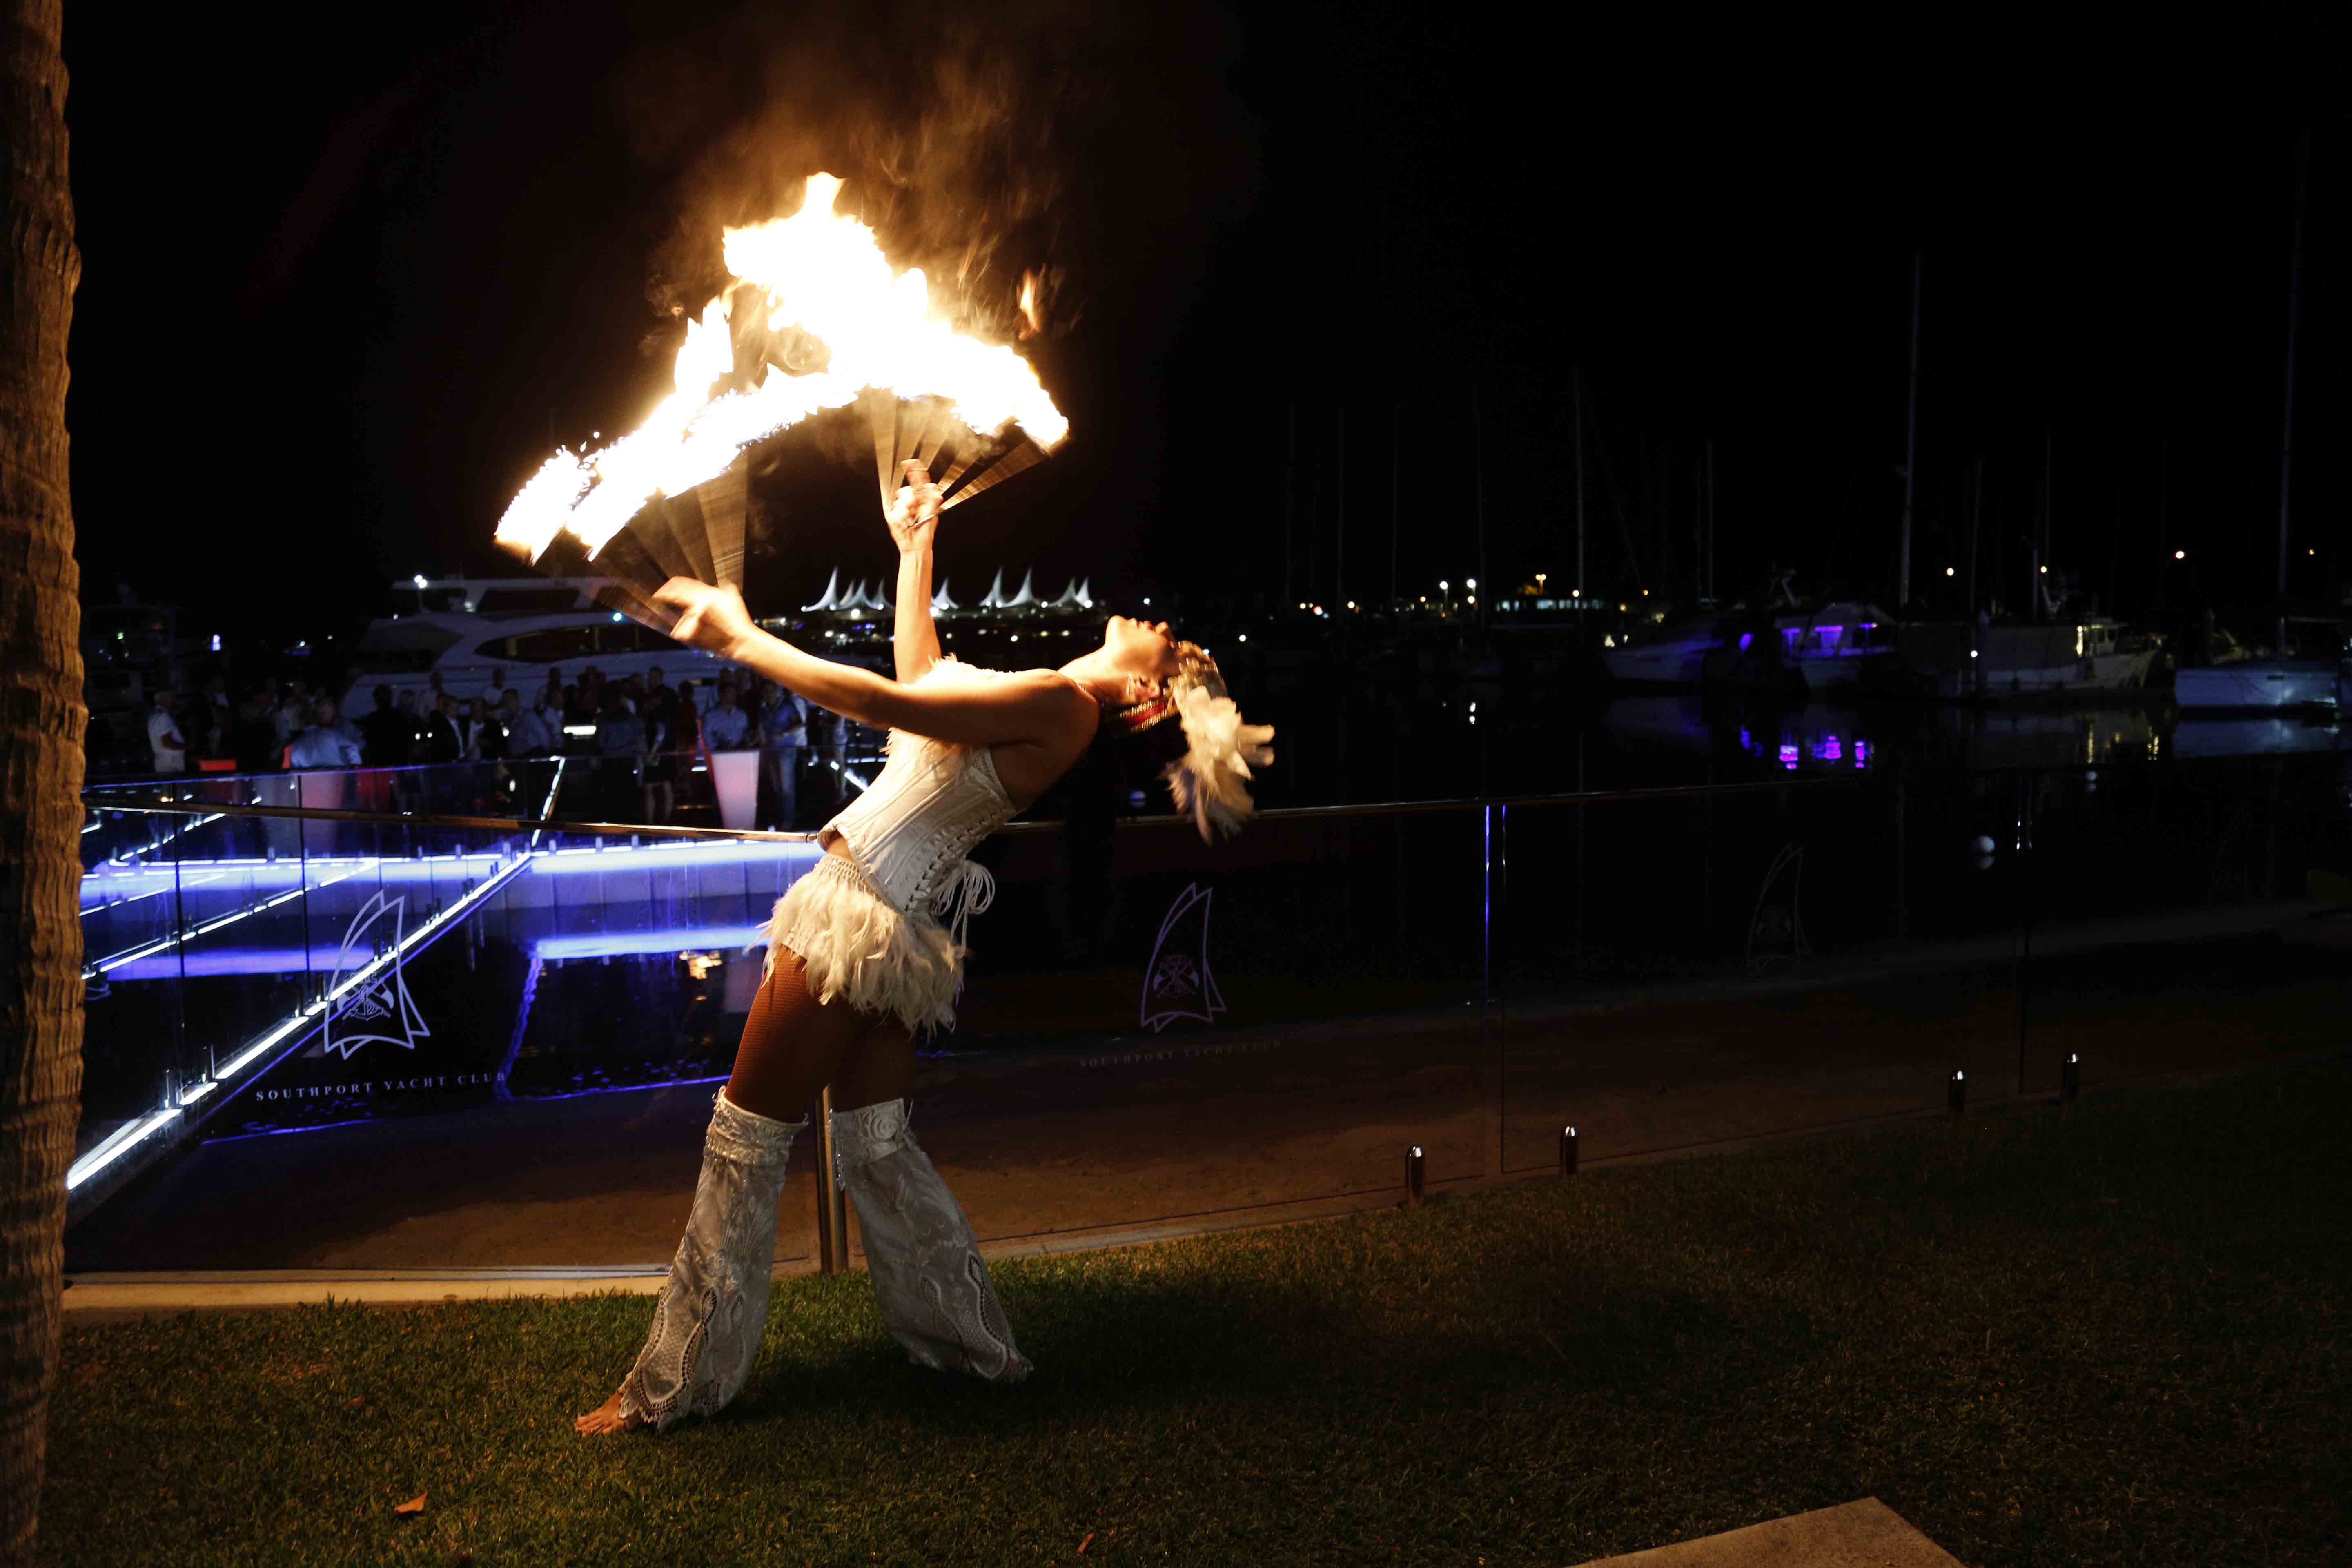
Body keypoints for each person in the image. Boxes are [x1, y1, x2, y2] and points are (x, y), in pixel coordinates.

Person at [578, 460, 1273, 1436]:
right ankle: (962, 1341)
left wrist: (745, 641)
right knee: (876, 1145)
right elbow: (919, 677)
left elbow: (882, 707)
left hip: (856, 911)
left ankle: (675, 1383)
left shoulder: (1062, 705)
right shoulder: (1041, 695)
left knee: (745, 1141)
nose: (1154, 620)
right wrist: (916, 547)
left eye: (1171, 640)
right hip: (891, 931)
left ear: (1149, 695)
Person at [757, 678, 808, 830]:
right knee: (777, 786)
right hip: (771, 750)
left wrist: (785, 734)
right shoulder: (764, 710)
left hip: (787, 750)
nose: (769, 694)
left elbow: (800, 723)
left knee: (787, 786)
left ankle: (789, 820)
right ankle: (781, 818)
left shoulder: (787, 706)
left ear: (776, 692)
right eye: (766, 692)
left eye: (771, 691)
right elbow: (761, 731)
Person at [146, 689, 187, 776]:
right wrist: (187, 746)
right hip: (171, 763)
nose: (173, 701)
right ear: (163, 699)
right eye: (171, 697)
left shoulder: (154, 716)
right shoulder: (164, 716)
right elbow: (168, 743)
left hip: (164, 762)